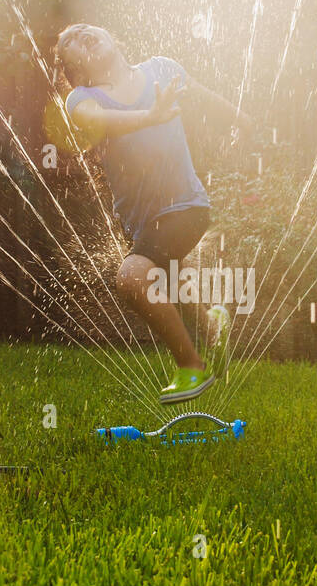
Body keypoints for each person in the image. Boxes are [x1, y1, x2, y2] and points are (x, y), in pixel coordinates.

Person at [54, 23, 261, 404]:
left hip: (187, 206)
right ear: (77, 71)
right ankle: (212, 330)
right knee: (169, 278)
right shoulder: (82, 98)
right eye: (72, 43)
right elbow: (99, 122)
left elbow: (204, 98)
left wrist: (243, 122)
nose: (81, 34)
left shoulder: (161, 69)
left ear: (113, 35)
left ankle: (191, 367)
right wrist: (151, 115)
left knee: (134, 276)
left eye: (86, 29)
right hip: (140, 220)